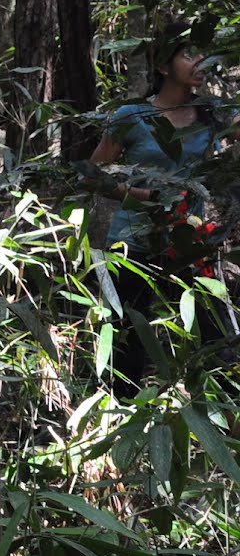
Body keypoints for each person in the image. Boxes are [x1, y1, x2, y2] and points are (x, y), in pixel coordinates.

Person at [89, 20, 239, 389]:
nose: (200, 62)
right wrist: (147, 197)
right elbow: (94, 176)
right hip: (134, 243)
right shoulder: (133, 116)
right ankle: (117, 423)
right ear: (162, 66)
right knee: (127, 343)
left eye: (203, 53)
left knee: (219, 341)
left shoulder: (215, 113)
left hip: (194, 244)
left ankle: (220, 426)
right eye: (188, 54)